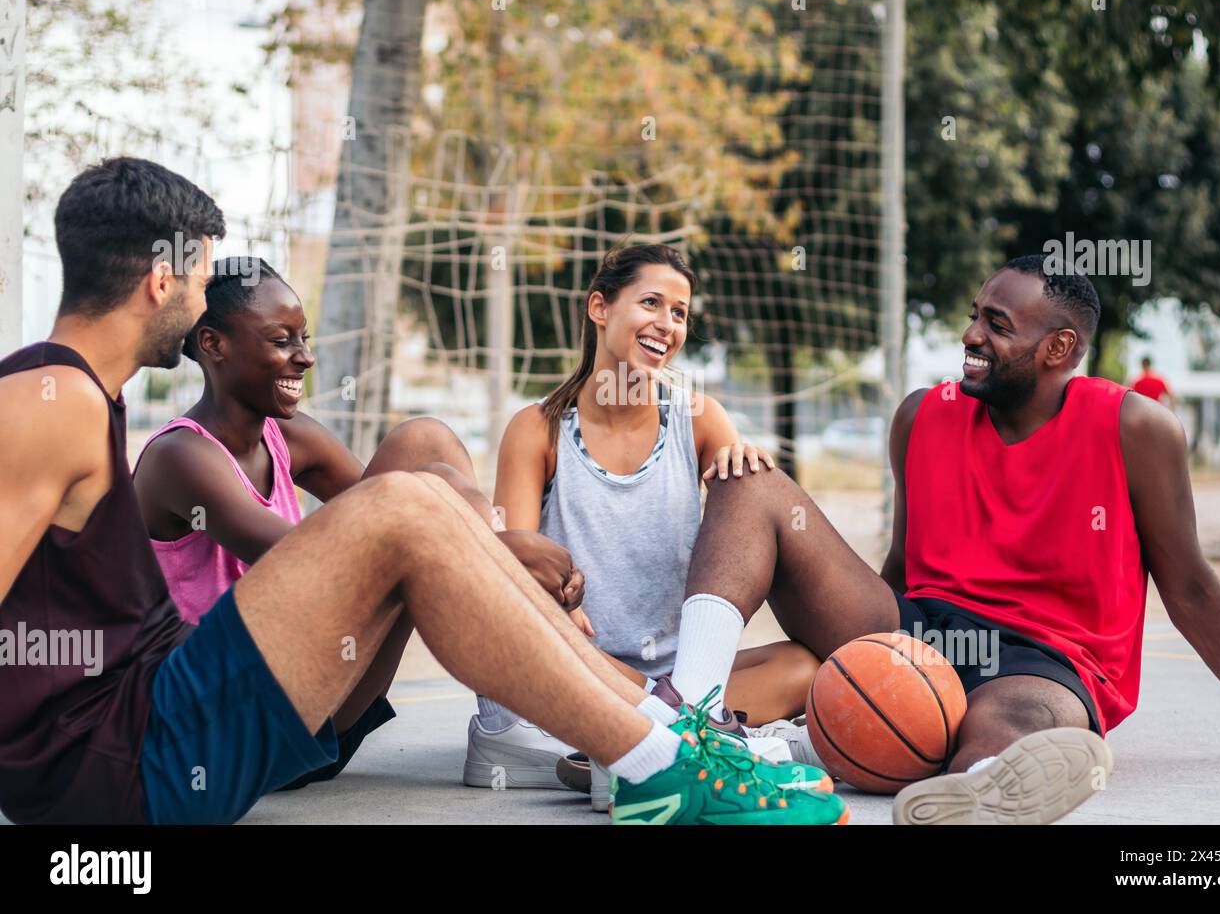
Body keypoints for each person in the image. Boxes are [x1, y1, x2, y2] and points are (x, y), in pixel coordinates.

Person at [0, 156, 842, 826]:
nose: (196, 302)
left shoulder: (78, 396)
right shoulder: (53, 400)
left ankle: (671, 745)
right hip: (123, 761)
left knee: (421, 481)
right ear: (161, 280)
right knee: (406, 503)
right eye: (198, 280)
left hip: (154, 715)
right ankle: (663, 765)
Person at [666, 253, 1220, 824]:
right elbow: (900, 563)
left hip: (1047, 660)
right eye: (975, 317)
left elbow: (1187, 583)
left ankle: (971, 791)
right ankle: (685, 724)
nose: (971, 335)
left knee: (1011, 726)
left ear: (1059, 348)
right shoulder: (921, 415)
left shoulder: (1135, 426)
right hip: (915, 629)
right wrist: (852, 665)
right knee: (750, 480)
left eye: (997, 325)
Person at [133, 257, 575, 788]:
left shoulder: (288, 439)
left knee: (425, 445)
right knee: (428, 505)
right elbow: (321, 563)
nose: (306, 357)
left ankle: (506, 723)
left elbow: (398, 511)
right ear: (213, 345)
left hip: (322, 707)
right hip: (237, 732)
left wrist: (491, 546)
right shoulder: (181, 458)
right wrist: (506, 551)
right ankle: (609, 709)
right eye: (281, 340)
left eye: (305, 337)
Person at [483, 244, 818, 800]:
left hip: (679, 680)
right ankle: (689, 738)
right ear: (600, 308)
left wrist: (747, 469)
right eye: (651, 303)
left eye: (680, 313)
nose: (667, 324)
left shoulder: (698, 416)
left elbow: (745, 535)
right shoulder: (537, 429)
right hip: (571, 664)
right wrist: (558, 602)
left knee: (804, 667)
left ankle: (659, 734)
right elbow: (510, 574)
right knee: (541, 642)